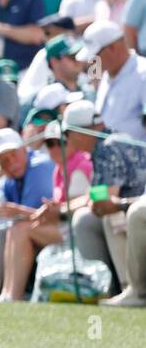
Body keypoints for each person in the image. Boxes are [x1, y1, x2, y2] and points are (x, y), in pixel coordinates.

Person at [65, 101, 146, 298]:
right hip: (133, 206)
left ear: (79, 132)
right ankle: (104, 287)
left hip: (131, 210)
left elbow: (106, 199)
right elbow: (96, 195)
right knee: (86, 218)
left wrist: (72, 207)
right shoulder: (112, 141)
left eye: (67, 135)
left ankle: (125, 288)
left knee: (105, 216)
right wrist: (62, 208)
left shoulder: (106, 147)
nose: (68, 141)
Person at [0, 127, 56, 302]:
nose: (11, 163)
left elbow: (46, 215)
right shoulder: (10, 177)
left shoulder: (39, 166)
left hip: (62, 228)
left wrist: (17, 211)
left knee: (16, 230)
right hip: (43, 228)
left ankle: (9, 294)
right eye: (4, 160)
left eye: (14, 155)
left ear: (24, 149)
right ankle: (0, 293)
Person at [80, 21, 146, 142]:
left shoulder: (143, 74)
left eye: (95, 56)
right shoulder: (106, 76)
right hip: (111, 157)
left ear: (112, 47)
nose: (91, 62)